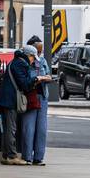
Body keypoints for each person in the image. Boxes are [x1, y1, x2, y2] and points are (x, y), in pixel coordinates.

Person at [0, 45, 38, 165]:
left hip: (6, 99)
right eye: (33, 58)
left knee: (7, 128)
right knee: (11, 128)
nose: (33, 61)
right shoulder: (21, 64)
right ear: (28, 55)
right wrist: (36, 79)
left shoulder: (15, 61)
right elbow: (24, 83)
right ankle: (11, 156)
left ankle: (6, 155)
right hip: (11, 100)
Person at [21, 35, 52, 165]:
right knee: (29, 127)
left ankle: (38, 157)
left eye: (41, 50)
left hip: (42, 96)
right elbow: (31, 78)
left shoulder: (43, 60)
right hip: (30, 97)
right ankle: (27, 156)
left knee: (41, 129)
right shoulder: (26, 62)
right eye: (38, 50)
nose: (40, 53)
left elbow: (48, 75)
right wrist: (40, 78)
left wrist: (44, 77)